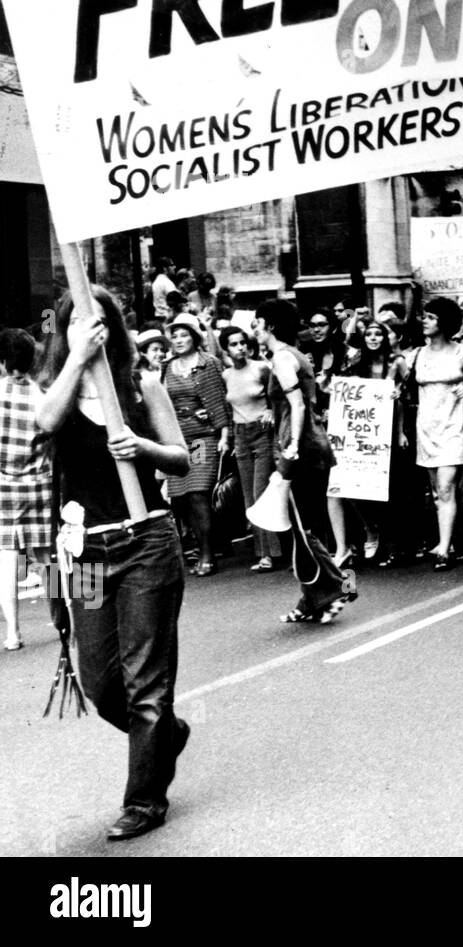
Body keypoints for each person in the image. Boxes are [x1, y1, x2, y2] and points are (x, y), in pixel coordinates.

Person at [37, 285, 191, 841]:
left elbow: (180, 458)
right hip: (84, 552)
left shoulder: (140, 383)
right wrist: (76, 360)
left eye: (101, 322)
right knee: (102, 685)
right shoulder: (55, 384)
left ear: (116, 328)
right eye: (80, 322)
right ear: (63, 329)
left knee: (146, 681)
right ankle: (164, 733)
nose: (93, 330)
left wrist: (141, 448)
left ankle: (144, 801)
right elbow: (45, 422)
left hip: (147, 540)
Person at [253, 298, 350, 622]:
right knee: (303, 527)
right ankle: (312, 600)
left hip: (302, 447)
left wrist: (292, 446)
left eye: (258, 323)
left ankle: (335, 588)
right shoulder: (292, 355)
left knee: (302, 527)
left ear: (270, 326)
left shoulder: (282, 358)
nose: (255, 329)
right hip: (309, 444)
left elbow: (298, 405)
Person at [333, 319, 412, 567]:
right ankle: (371, 530)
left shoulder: (396, 362)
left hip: (389, 431)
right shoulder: (358, 362)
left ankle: (395, 546)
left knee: (392, 490)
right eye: (369, 334)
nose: (374, 338)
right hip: (363, 434)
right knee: (359, 488)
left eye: (379, 334)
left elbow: (404, 400)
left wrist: (400, 432)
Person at [409, 297, 463, 569]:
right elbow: (396, 381)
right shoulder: (416, 354)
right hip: (426, 428)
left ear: (445, 322)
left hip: (454, 427)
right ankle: (458, 540)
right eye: (424, 316)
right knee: (438, 491)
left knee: (447, 487)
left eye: (432, 317)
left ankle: (444, 550)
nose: (425, 321)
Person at [161, 313, 228, 577]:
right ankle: (200, 546)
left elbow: (218, 401)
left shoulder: (208, 363)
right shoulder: (167, 367)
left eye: (184, 334)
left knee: (198, 493)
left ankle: (208, 553)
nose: (178, 340)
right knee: (180, 499)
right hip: (177, 440)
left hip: (202, 437)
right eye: (174, 335)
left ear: (195, 337)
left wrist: (224, 435)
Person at [0, 329, 54, 652]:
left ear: (3, 362)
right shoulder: (41, 395)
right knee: (47, 555)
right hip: (39, 481)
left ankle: (13, 633)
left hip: (4, 482)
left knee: (6, 558)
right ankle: (64, 621)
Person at [219, 325, 279, 573]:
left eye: (242, 342)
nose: (239, 348)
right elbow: (230, 407)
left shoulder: (261, 368)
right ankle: (261, 552)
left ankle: (272, 553)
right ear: (226, 349)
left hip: (262, 433)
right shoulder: (226, 375)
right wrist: (229, 437)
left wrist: (270, 410)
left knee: (261, 491)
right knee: (248, 497)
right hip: (240, 435)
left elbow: (277, 395)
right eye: (233, 344)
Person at [150, 258, 177, 322]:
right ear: (165, 268)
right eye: (171, 265)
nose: (174, 267)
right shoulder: (166, 282)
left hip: (158, 317)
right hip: (167, 318)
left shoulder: (156, 281)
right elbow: (176, 300)